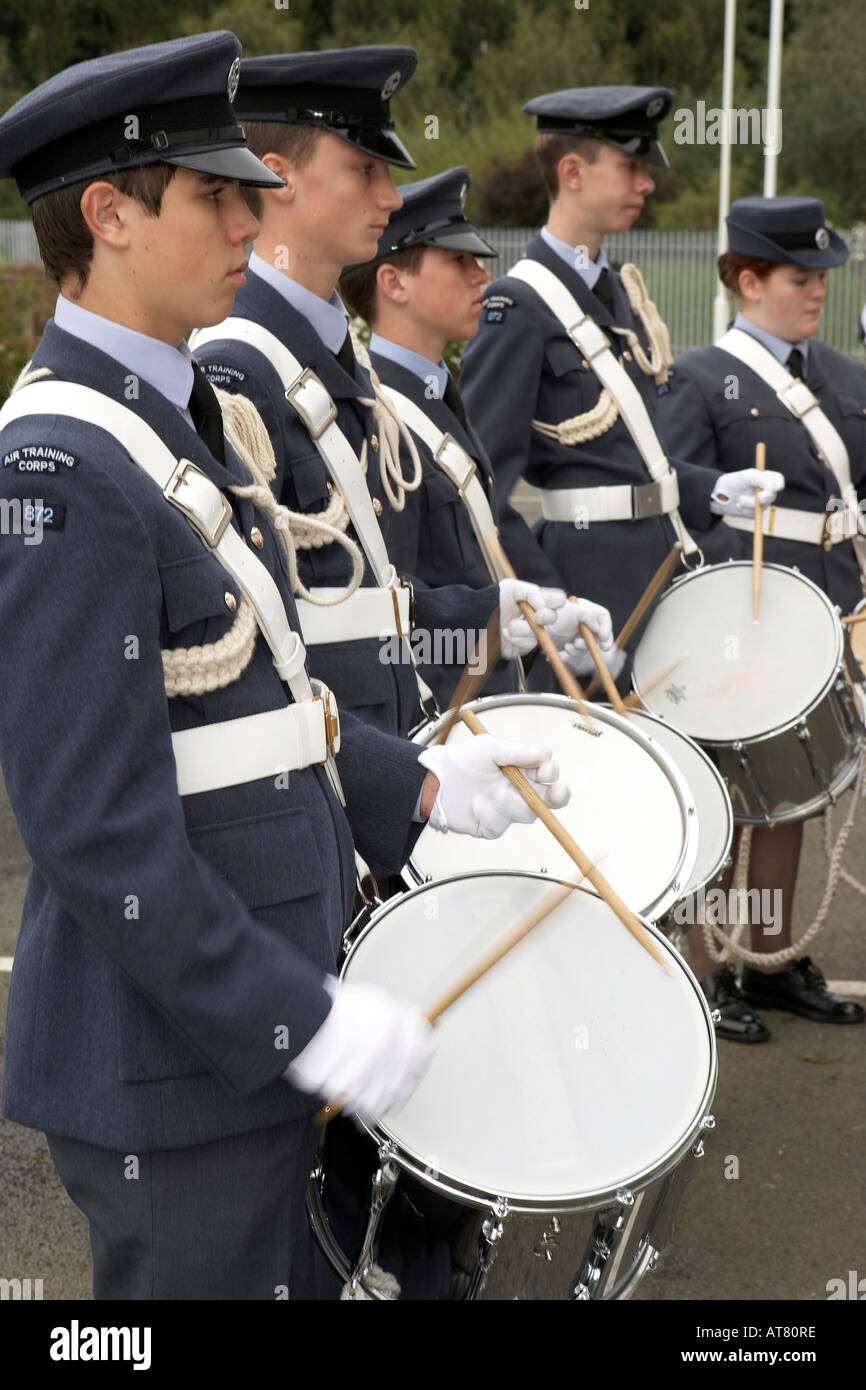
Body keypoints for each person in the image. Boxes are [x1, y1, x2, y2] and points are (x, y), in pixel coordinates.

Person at [0, 31, 571, 1299]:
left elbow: (257, 706)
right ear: (109, 215)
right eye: (215, 193)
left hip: (235, 1028)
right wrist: (296, 1015)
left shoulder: (171, 414)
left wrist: (412, 788)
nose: (254, 214)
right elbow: (92, 827)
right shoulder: (60, 463)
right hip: (171, 1058)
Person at [192, 50, 609, 734]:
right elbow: (258, 630)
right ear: (277, 178)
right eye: (365, 169)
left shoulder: (334, 352)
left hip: (393, 741)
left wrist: (488, 614)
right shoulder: (237, 366)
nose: (390, 197)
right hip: (338, 767)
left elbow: (375, 592)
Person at [458, 87, 784, 679]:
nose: (647, 184)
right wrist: (553, 607)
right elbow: (482, 490)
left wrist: (711, 488)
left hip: (662, 571)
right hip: (589, 593)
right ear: (573, 172)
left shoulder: (618, 294)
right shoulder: (519, 304)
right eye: (632, 167)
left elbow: (631, 459)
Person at [657, 195, 866, 1041]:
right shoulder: (698, 378)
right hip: (741, 612)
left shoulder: (847, 379)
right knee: (727, 793)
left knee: (802, 789)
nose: (815, 290)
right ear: (746, 280)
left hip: (832, 606)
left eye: (821, 276)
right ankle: (706, 969)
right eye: (796, 276)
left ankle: (773, 960)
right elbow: (673, 498)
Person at [339, 164, 615, 705]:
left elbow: (482, 542)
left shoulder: (437, 394)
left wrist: (545, 614)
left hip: (485, 705)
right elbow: (391, 620)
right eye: (458, 262)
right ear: (393, 282)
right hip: (445, 724)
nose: (481, 277)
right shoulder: (378, 415)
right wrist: (486, 631)